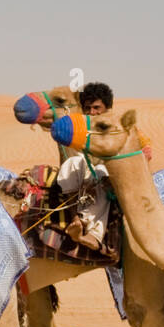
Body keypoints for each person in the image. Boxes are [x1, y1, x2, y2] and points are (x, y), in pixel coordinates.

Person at [56, 82, 115, 252]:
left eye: (97, 107)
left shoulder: (116, 129)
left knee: (99, 175)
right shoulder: (83, 130)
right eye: (88, 107)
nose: (92, 112)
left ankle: (92, 233)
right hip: (87, 172)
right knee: (71, 164)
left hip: (110, 175)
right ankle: (74, 219)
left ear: (107, 108)